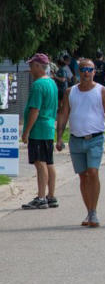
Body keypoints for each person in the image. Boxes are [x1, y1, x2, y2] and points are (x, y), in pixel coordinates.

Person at [56, 58, 105, 227]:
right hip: (76, 140)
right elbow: (63, 114)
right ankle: (89, 211)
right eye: (83, 69)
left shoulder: (102, 91)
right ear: (78, 71)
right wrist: (59, 137)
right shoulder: (71, 92)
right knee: (83, 177)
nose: (86, 73)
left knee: (93, 172)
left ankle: (94, 212)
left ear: (94, 72)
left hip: (95, 139)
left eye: (89, 70)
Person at [21, 53, 60, 210]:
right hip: (49, 126)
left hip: (39, 128)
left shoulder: (38, 85)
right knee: (49, 162)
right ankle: (51, 195)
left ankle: (41, 197)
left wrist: (26, 131)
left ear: (38, 66)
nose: (30, 69)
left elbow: (35, 110)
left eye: (32, 65)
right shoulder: (52, 83)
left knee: (40, 162)